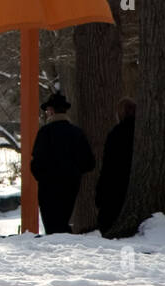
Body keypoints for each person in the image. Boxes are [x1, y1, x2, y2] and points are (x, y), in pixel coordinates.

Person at [31, 92, 95, 234]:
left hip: (48, 185)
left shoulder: (45, 133)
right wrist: (75, 172)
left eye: (47, 110)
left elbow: (36, 162)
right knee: (63, 219)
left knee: (52, 223)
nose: (47, 113)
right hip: (70, 183)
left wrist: (41, 176)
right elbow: (89, 162)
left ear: (52, 111)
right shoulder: (76, 133)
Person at [94, 98, 136, 234]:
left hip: (116, 183)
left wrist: (100, 191)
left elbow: (108, 164)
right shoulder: (141, 132)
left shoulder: (116, 134)